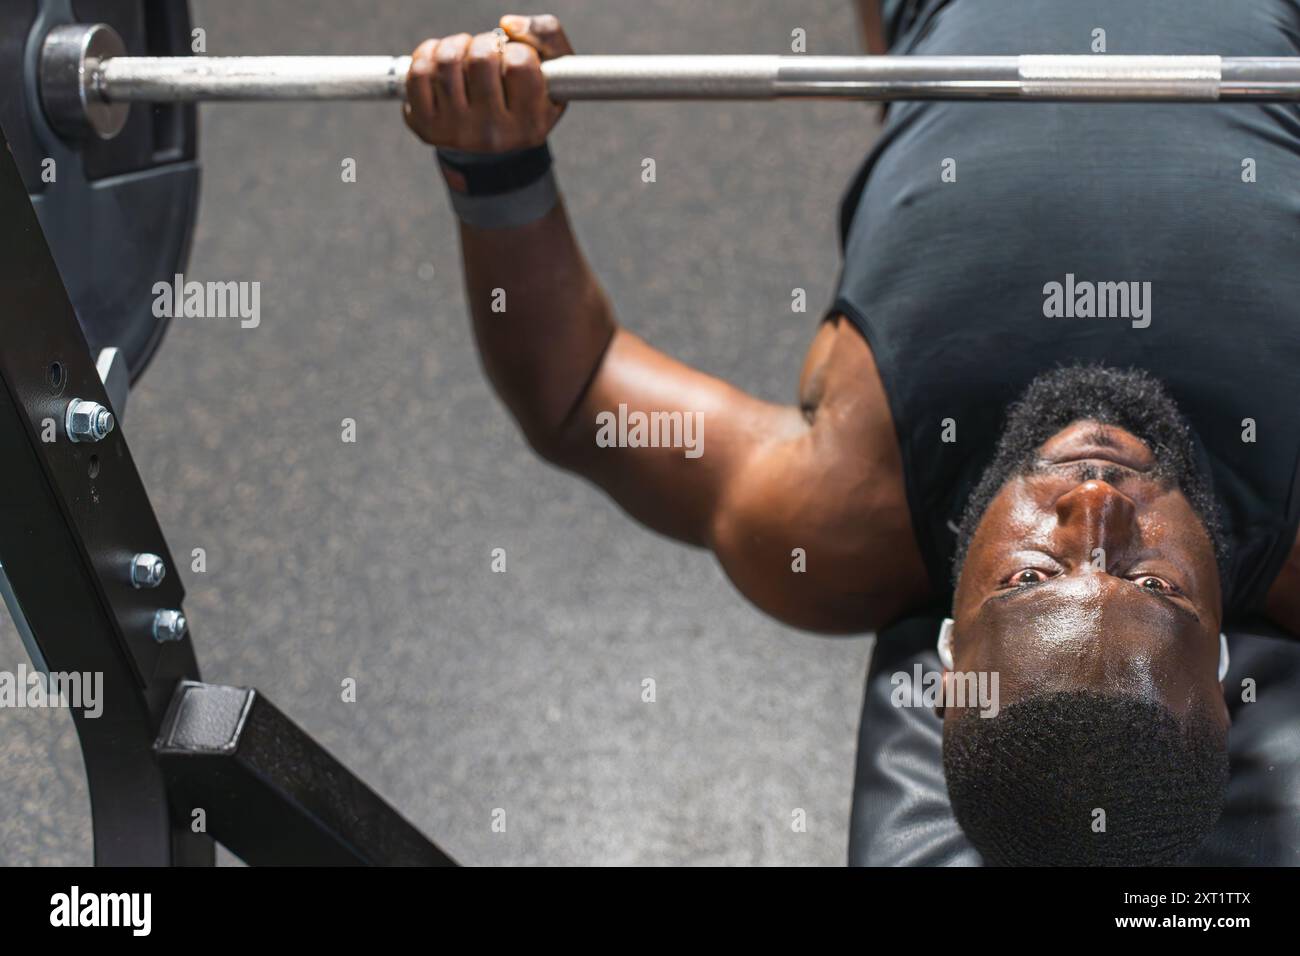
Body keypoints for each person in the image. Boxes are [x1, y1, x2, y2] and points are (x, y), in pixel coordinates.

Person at [401, 1, 1300, 865]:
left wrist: (496, 164)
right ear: (1220, 660)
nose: (1095, 506)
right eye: (1154, 582)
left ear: (950, 656)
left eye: (1033, 576)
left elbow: (579, 395)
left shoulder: (839, 517)